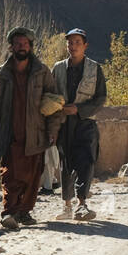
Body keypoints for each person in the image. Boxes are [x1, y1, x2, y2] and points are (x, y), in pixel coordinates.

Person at [0, 27, 63, 230]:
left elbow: (53, 103)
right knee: (10, 175)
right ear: (11, 47)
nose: (22, 47)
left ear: (31, 47)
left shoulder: (42, 72)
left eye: (25, 44)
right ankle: (8, 212)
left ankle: (24, 212)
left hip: (35, 133)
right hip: (9, 134)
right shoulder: (2, 73)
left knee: (33, 176)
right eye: (18, 44)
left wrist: (53, 130)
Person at [52, 28, 108, 220]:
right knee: (66, 162)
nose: (73, 46)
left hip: (85, 122)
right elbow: (50, 94)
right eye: (70, 42)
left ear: (85, 46)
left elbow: (101, 98)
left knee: (86, 160)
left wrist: (79, 109)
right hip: (64, 123)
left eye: (77, 42)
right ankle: (66, 206)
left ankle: (82, 204)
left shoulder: (94, 68)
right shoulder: (58, 68)